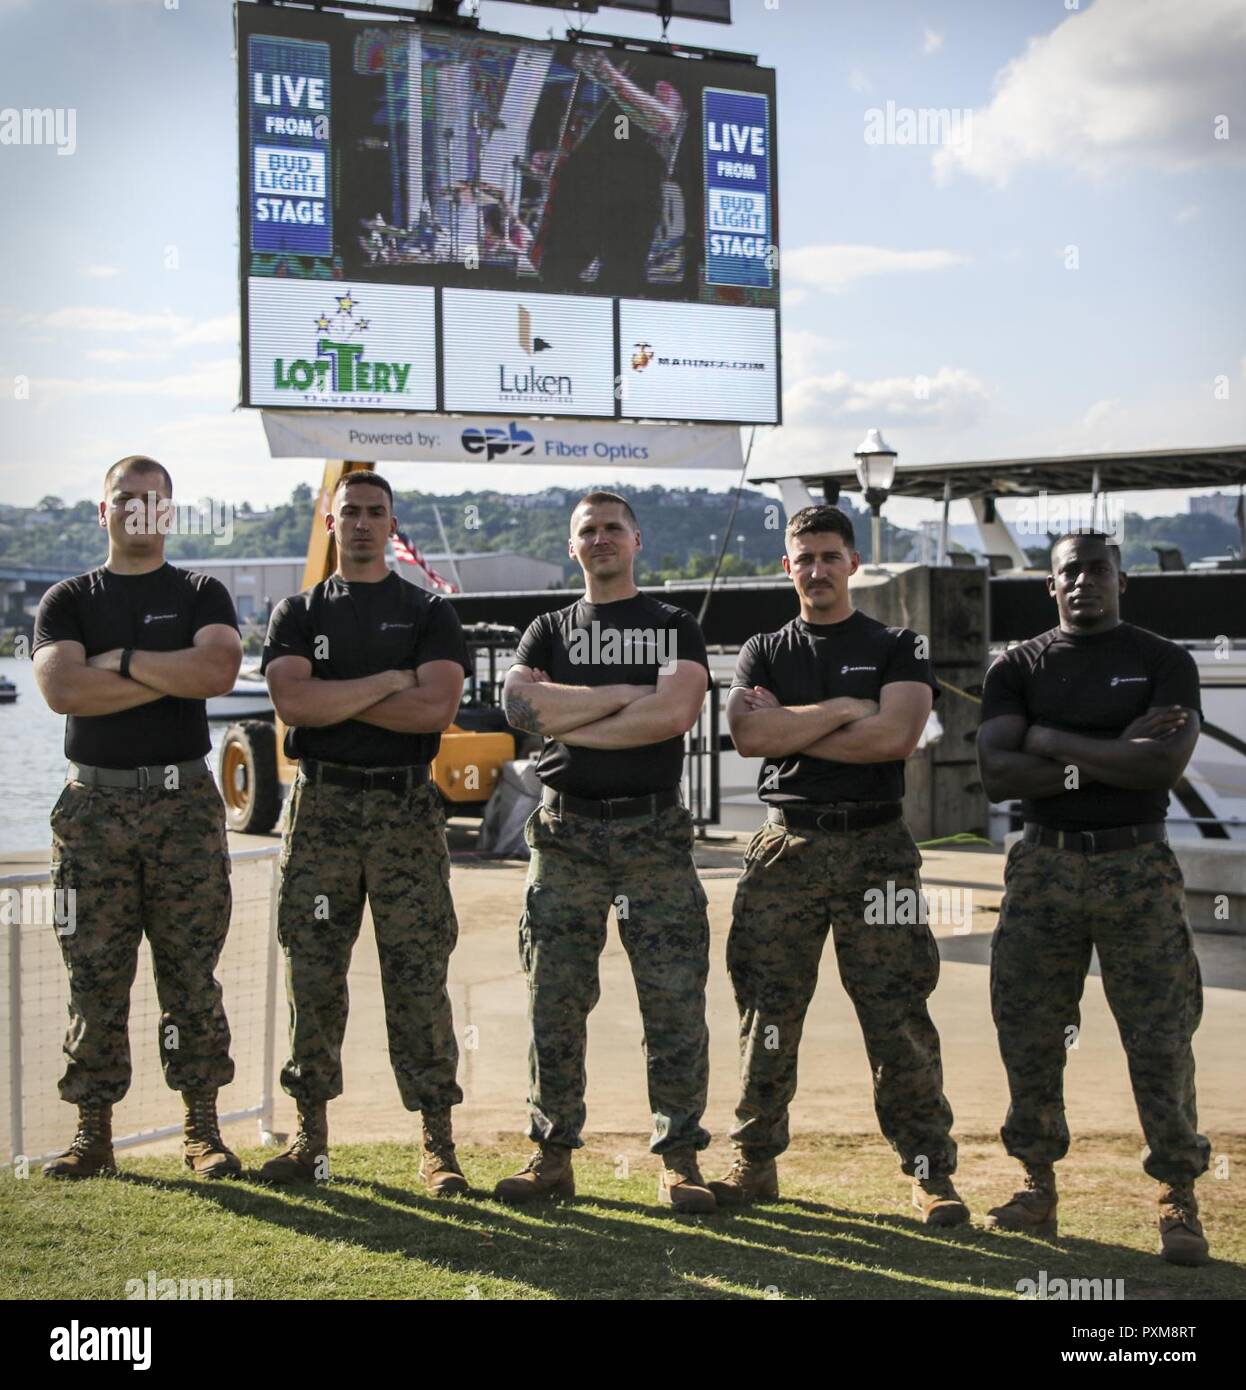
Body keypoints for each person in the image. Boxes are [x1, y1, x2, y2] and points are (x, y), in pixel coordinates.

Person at [709, 505, 967, 1226]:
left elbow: (894, 737)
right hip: (786, 848)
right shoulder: (765, 649)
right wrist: (845, 707)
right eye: (803, 557)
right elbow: (750, 737)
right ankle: (754, 1163)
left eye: (829, 555)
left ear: (853, 563)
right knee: (768, 1013)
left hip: (875, 850)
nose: (816, 569)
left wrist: (795, 724)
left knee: (897, 1017)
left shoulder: (897, 645)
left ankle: (930, 1175)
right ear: (787, 566)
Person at [977, 531, 1210, 1264]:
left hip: (1136, 865)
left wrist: (1047, 740)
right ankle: (1037, 1183)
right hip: (1044, 866)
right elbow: (998, 776)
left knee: (1161, 1035)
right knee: (1031, 1029)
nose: (1083, 582)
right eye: (1068, 571)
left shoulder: (1162, 662)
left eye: (1097, 570)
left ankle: (1177, 1193)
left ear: (1121, 580)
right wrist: (1109, 752)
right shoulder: (1017, 666)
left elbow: (1162, 766)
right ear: (1050, 585)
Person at [493, 491, 715, 1212]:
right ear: (571, 546)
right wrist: (627, 698)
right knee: (554, 1000)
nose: (600, 540)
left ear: (637, 540)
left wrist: (573, 712)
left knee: (673, 1000)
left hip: (654, 836)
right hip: (566, 836)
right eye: (586, 531)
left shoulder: (674, 625)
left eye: (612, 528)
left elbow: (675, 714)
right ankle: (551, 1154)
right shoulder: (547, 629)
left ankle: (679, 1159)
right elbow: (523, 711)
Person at [258, 471, 471, 1195]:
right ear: (329, 520)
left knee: (418, 975)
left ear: (391, 525)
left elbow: (434, 711)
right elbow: (292, 702)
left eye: (375, 513)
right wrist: (387, 682)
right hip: (322, 812)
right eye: (349, 511)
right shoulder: (297, 611)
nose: (361, 524)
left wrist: (338, 698)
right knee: (313, 974)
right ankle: (310, 1139)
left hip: (404, 812)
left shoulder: (427, 613)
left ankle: (437, 1144)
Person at [32, 455, 243, 1180]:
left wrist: (115, 660)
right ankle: (93, 1134)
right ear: (103, 511)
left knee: (190, 974)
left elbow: (214, 674)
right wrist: (160, 673)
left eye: (154, 500)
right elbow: (62, 689)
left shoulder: (199, 592)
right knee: (93, 974)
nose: (139, 510)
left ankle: (203, 1131)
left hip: (183, 805)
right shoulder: (67, 599)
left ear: (170, 513)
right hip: (92, 810)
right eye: (125, 498)